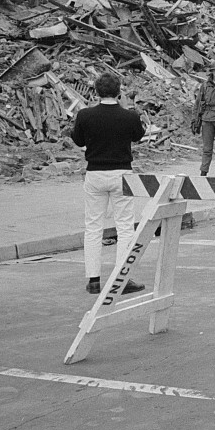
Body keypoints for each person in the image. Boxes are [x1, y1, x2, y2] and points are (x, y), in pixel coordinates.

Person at [71, 73, 146, 295]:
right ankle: (122, 279)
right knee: (124, 226)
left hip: (95, 173)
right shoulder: (129, 116)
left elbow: (78, 140)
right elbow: (138, 136)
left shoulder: (85, 115)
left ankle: (93, 279)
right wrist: (125, 107)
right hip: (122, 173)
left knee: (93, 227)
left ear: (96, 92)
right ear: (119, 91)